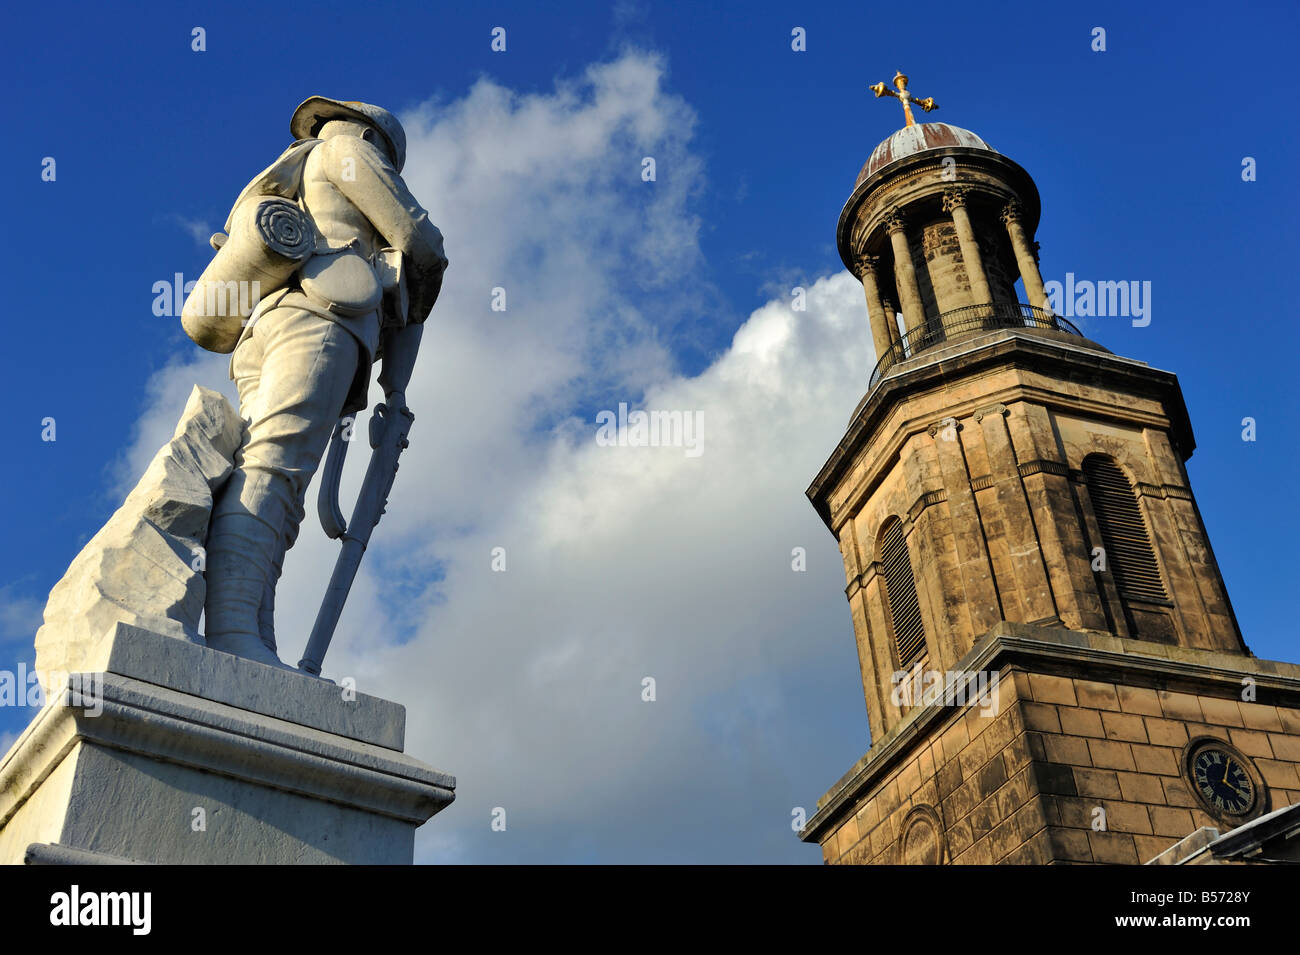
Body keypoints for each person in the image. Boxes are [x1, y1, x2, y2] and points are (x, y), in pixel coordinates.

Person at [202, 97, 447, 668]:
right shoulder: (346, 151)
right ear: (378, 141)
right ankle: (234, 632)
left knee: (271, 472)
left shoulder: (290, 179)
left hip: (265, 328)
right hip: (321, 320)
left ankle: (251, 637)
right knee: (275, 468)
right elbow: (419, 240)